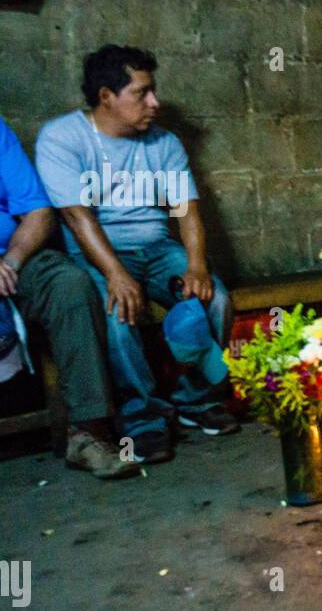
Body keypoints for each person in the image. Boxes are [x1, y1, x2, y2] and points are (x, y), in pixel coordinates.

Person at [0, 28, 139, 526]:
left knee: (70, 284)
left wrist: (11, 263)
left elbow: (37, 210)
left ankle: (89, 433)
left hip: (9, 255)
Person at [36, 45, 239, 465]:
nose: (155, 103)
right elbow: (77, 217)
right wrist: (115, 273)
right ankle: (143, 418)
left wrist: (197, 265)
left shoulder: (163, 143)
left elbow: (186, 209)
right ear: (107, 95)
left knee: (213, 297)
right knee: (117, 311)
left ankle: (196, 399)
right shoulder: (63, 137)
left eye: (153, 91)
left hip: (158, 248)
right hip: (98, 252)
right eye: (142, 93)